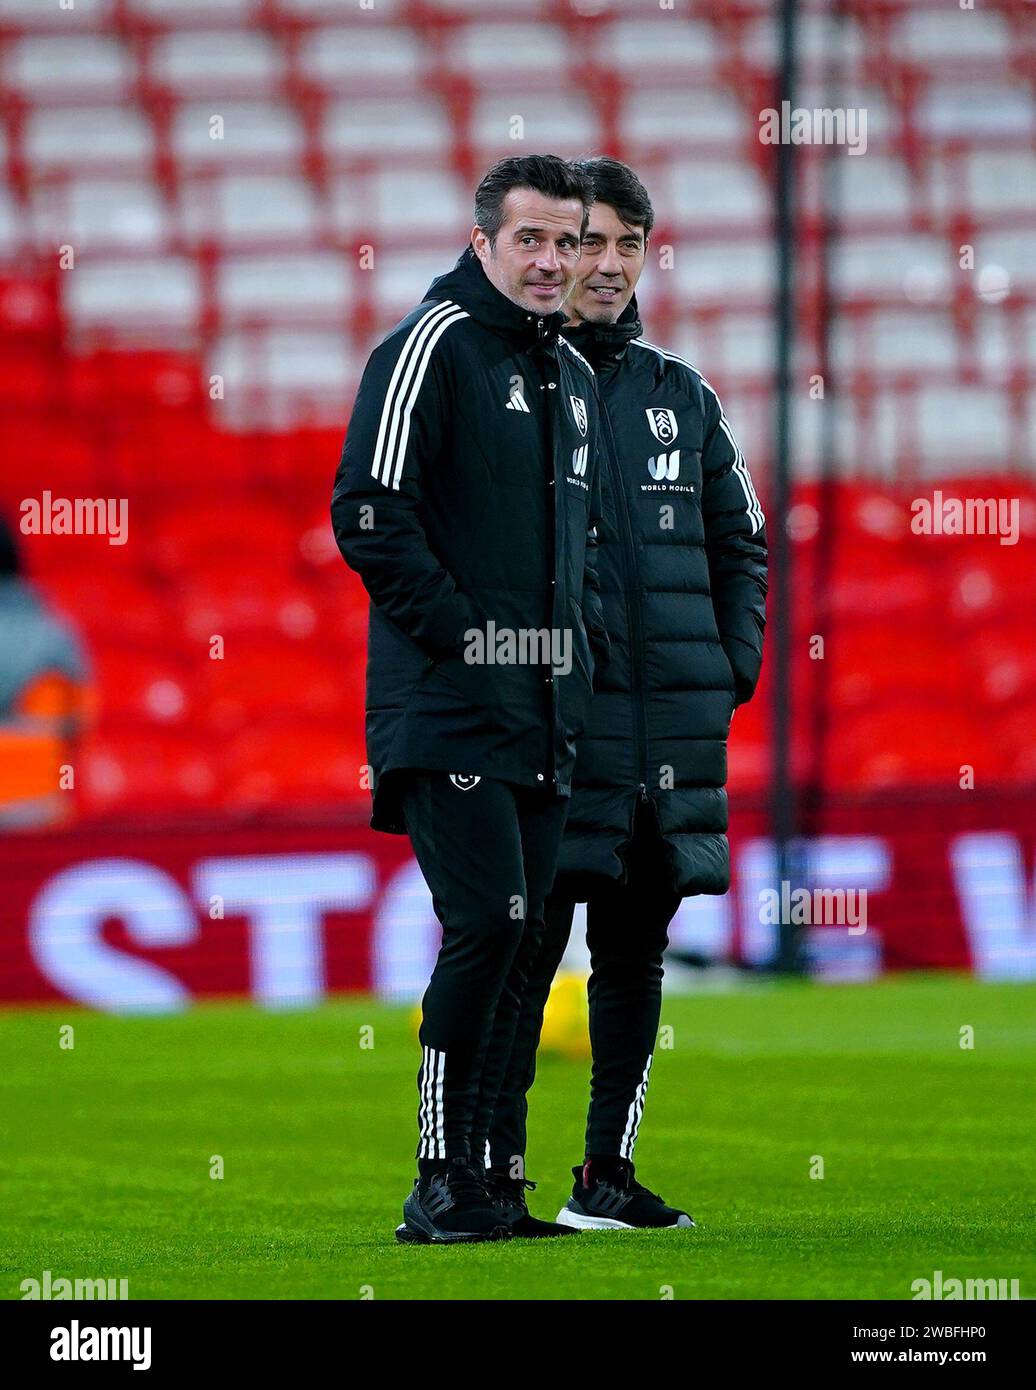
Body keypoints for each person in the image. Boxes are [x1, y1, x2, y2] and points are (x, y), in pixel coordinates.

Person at [485, 157, 768, 1230]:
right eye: (587, 242)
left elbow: (741, 540)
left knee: (634, 960)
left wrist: (726, 663)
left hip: (668, 735)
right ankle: (492, 1174)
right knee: (524, 955)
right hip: (562, 731)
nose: (605, 265)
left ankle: (605, 1174)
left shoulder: (678, 395)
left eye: (624, 246)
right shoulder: (512, 380)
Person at [331, 155, 610, 1243]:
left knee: (530, 937)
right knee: (486, 929)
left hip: (545, 710)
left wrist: (574, 667)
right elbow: (365, 512)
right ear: (485, 239)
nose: (553, 261)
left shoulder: (567, 374)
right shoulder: (430, 344)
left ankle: (494, 1177)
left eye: (568, 241)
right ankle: (438, 1178)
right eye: (532, 239)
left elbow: (574, 559)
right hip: (449, 705)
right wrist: (471, 642)